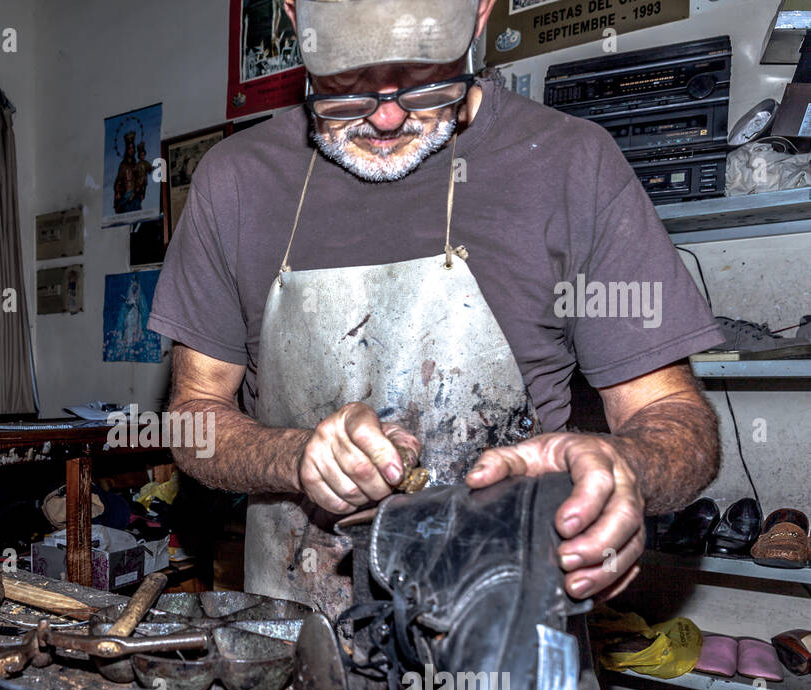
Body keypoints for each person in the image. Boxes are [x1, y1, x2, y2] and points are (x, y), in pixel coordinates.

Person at [150, 0, 723, 627]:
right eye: (345, 87)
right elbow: (193, 420)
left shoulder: (570, 164)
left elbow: (671, 415)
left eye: (427, 80)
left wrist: (627, 471)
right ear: (292, 17)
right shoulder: (235, 180)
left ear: (480, 15)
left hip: (507, 632)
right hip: (294, 639)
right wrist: (295, 456)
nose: (388, 117)